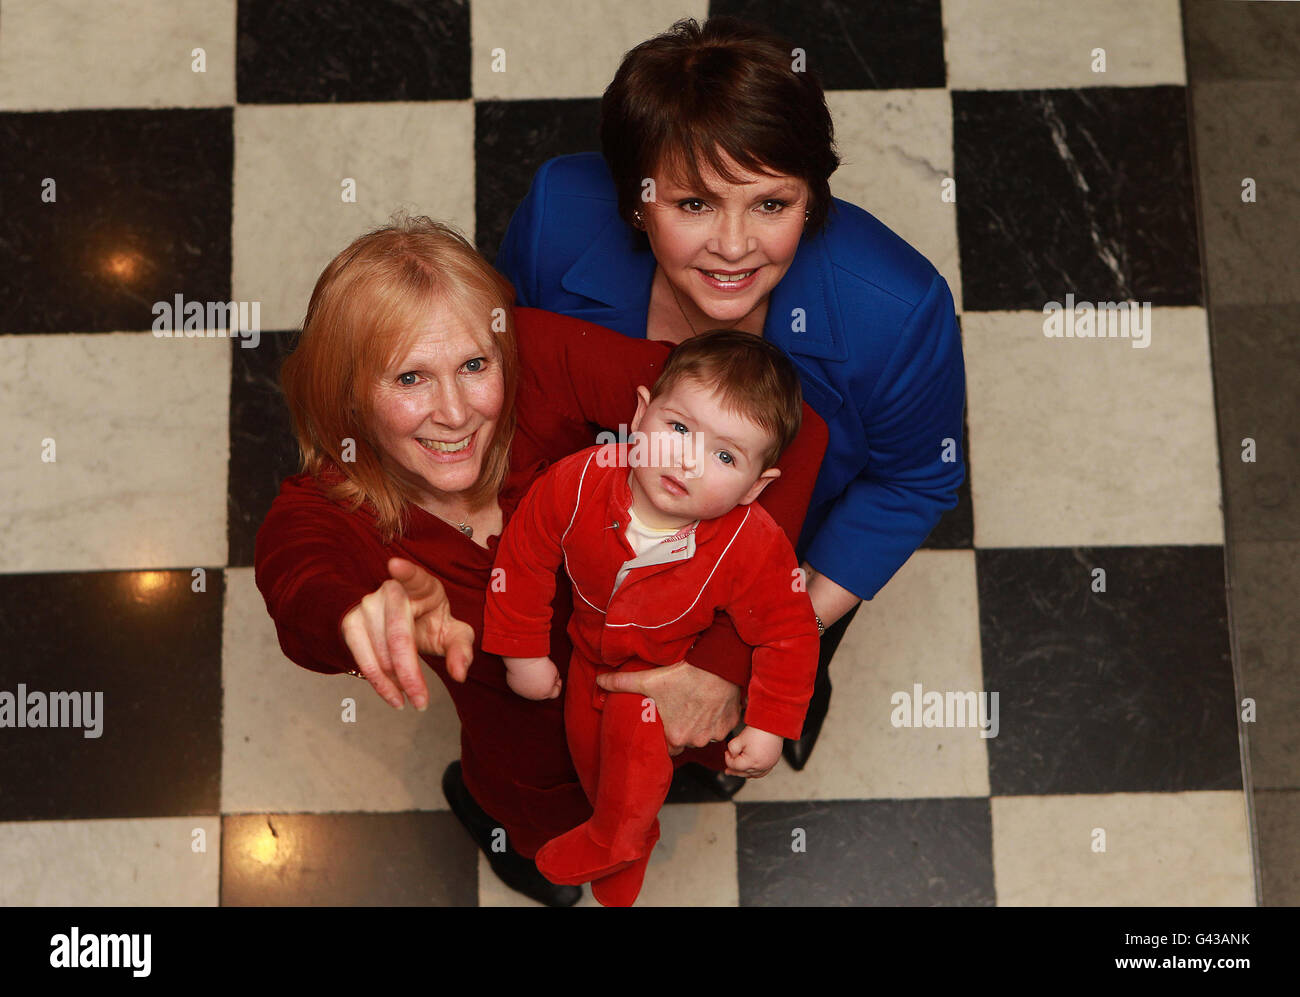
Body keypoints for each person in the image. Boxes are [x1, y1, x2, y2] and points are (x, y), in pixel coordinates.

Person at [253, 215, 829, 906]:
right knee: (546, 843)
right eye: (410, 377)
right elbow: (298, 577)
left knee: (667, 769)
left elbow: (789, 434)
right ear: (347, 391)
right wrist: (353, 615)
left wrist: (722, 667)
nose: (456, 411)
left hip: (658, 680)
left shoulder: (534, 356)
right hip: (530, 758)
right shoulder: (328, 507)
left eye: (474, 365)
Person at [495, 15, 967, 781]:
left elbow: (916, 477)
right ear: (634, 202)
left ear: (812, 199)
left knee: (748, 719)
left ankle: (795, 696)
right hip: (594, 541)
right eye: (693, 205)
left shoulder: (898, 310)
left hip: (779, 565)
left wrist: (755, 655)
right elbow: (509, 368)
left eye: (772, 205)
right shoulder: (557, 214)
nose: (736, 246)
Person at [481, 332, 820, 906]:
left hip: (665, 671)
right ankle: (624, 834)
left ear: (753, 488)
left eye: (724, 456)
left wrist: (770, 723)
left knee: (633, 754)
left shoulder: (751, 543)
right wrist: (523, 652)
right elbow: (524, 554)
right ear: (640, 415)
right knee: (590, 763)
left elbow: (787, 632)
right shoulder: (580, 480)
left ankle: (620, 836)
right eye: (680, 429)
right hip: (586, 657)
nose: (687, 460)